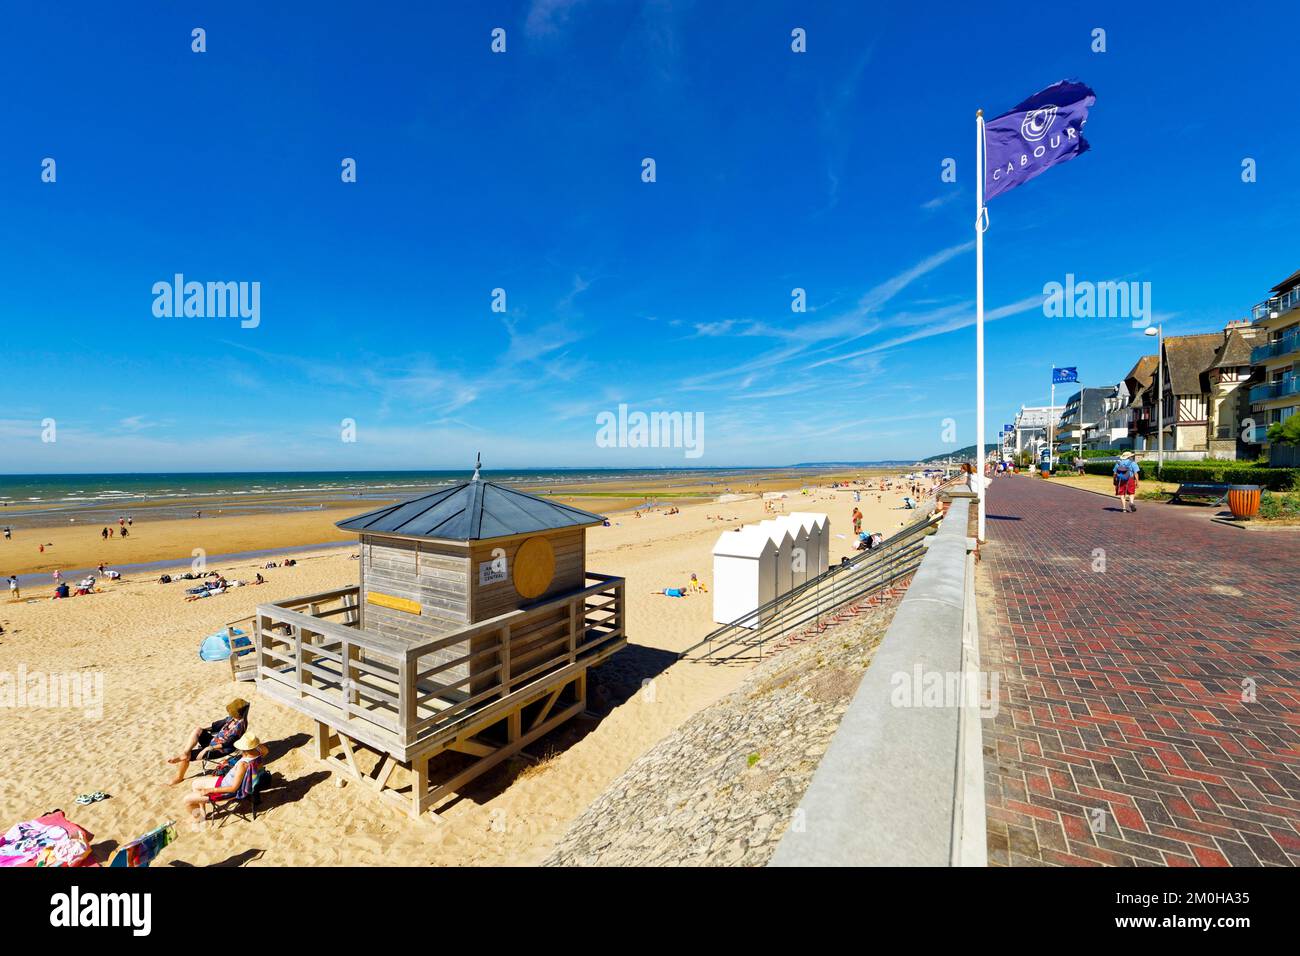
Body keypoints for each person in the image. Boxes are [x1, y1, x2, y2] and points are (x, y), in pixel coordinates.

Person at [180, 734, 267, 823]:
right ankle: (202, 812)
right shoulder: (259, 753)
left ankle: (198, 817)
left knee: (187, 800)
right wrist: (254, 744)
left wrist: (211, 790)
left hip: (226, 791)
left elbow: (233, 788)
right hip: (225, 782)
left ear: (244, 749)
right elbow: (265, 750)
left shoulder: (243, 764)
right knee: (195, 783)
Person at [167, 698, 250, 784]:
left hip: (221, 749)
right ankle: (185, 752)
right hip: (213, 741)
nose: (230, 713)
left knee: (189, 756)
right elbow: (215, 726)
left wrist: (209, 748)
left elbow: (227, 744)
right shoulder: (231, 718)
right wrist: (202, 731)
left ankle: (179, 777)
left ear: (238, 713)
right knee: (198, 730)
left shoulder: (239, 727)